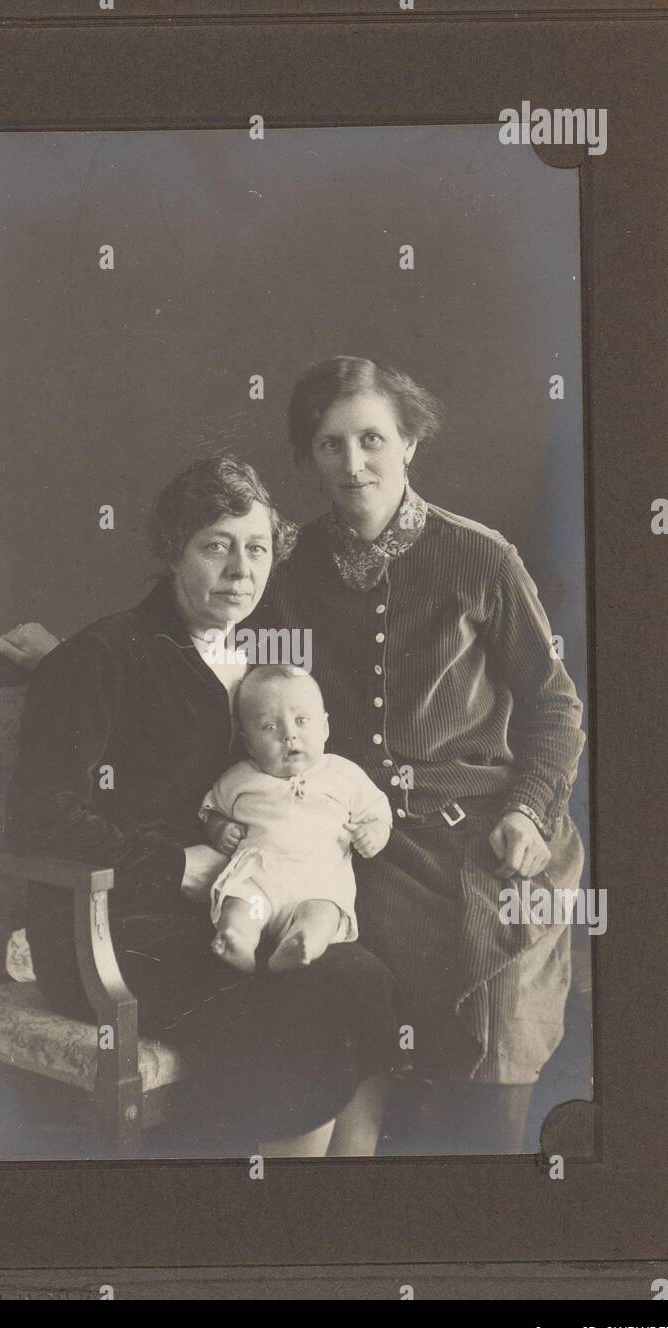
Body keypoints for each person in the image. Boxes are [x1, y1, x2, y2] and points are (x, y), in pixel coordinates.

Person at [4, 455, 401, 1158]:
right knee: (305, 1005)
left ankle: (346, 1216)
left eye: (256, 549)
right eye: (215, 546)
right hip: (108, 926)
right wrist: (166, 865)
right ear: (171, 551)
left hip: (219, 906)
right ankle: (281, 1228)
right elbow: (38, 814)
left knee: (366, 978)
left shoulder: (248, 668)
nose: (240, 569)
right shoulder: (103, 655)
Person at [260, 356, 587, 1153]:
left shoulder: (480, 557)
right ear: (309, 458)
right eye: (329, 445)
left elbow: (554, 705)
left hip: (491, 840)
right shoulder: (292, 568)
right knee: (364, 1052)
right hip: (370, 849)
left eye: (373, 438)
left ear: (411, 443)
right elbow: (230, 660)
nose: (353, 463)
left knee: (493, 1069)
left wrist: (526, 811)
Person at [200, 664, 393, 973]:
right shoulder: (240, 778)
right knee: (239, 903)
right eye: (269, 727)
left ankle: (301, 943)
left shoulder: (342, 774)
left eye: (301, 721)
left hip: (318, 881)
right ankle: (237, 939)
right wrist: (219, 828)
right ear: (248, 742)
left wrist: (373, 833)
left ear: (325, 728)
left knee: (323, 914)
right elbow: (211, 809)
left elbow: (378, 812)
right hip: (258, 877)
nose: (289, 734)